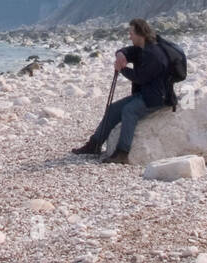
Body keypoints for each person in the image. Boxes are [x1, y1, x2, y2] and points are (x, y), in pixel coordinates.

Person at [71, 18, 170, 165]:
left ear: (140, 33)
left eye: (131, 33)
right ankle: (94, 145)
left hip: (157, 98)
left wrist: (122, 69)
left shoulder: (154, 54)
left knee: (129, 110)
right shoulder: (143, 48)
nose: (129, 36)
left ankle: (122, 152)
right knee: (113, 109)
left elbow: (140, 78)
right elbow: (129, 51)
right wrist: (120, 54)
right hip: (145, 94)